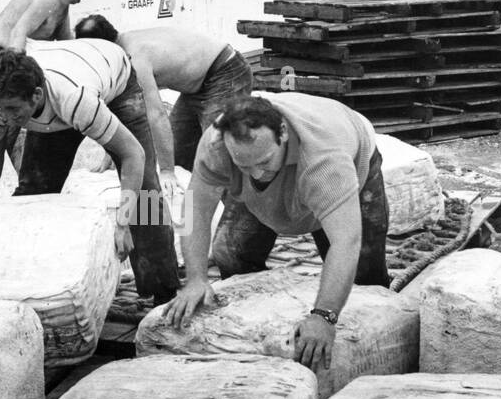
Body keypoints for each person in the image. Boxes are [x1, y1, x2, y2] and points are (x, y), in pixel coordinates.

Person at [163, 93, 390, 372]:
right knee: (230, 253)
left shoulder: (325, 158)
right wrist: (195, 279)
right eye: (244, 165)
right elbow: (195, 208)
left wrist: (324, 316)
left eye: (264, 161)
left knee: (365, 274)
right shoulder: (217, 145)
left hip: (349, 159)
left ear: (283, 133)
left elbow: (346, 241)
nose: (257, 174)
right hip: (272, 178)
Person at [0, 39, 180, 304]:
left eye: (13, 109)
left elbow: (134, 154)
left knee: (146, 197)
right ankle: (30, 286)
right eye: (1, 109)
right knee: (34, 193)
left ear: (36, 95)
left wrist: (122, 224)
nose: (5, 118)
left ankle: (163, 292)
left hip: (114, 81)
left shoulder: (74, 99)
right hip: (62, 90)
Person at [73, 14, 254, 189]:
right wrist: (112, 154)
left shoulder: (135, 59)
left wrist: (168, 171)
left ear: (101, 46)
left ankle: (238, 212)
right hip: (197, 85)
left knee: (218, 152)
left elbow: (156, 115)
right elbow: (125, 111)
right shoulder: (123, 45)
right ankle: (190, 207)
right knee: (180, 153)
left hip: (225, 70)